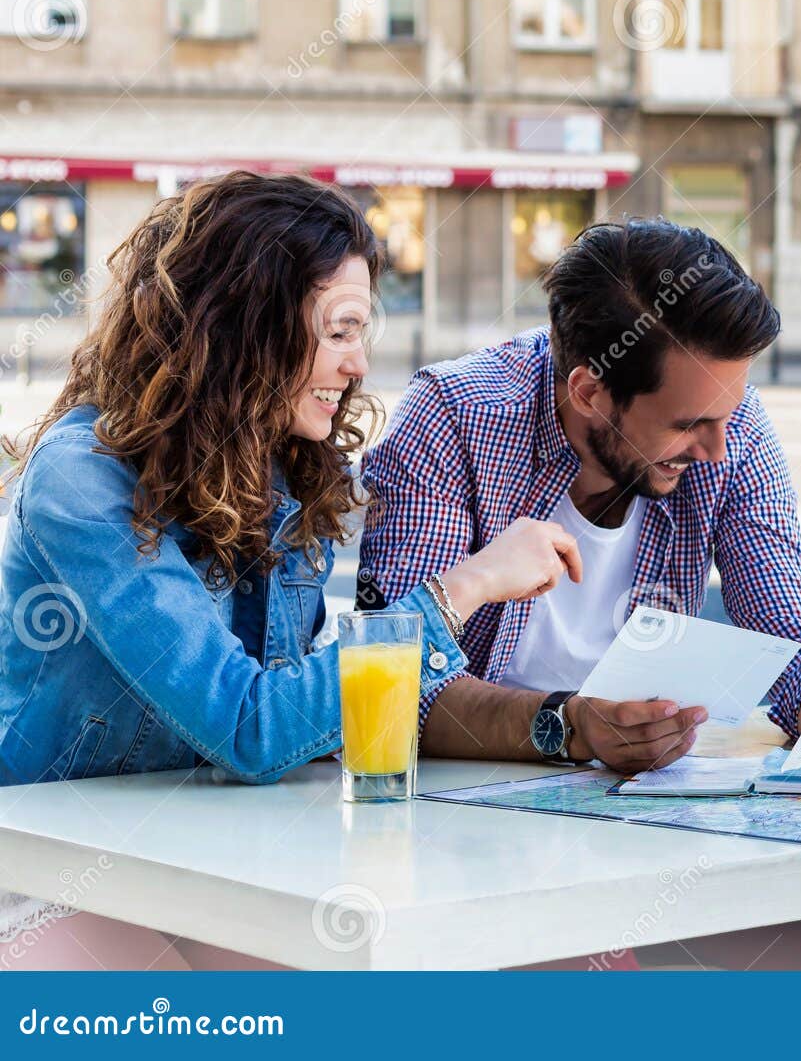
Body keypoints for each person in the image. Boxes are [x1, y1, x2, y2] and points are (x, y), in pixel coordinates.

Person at [358, 217, 801, 968]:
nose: (719, 448)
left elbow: (793, 640)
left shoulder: (729, 421)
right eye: (689, 424)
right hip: (467, 839)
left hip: (649, 820)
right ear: (589, 389)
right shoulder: (454, 418)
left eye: (728, 415)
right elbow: (394, 679)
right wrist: (572, 727)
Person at [0, 171, 577, 970]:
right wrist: (466, 586)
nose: (357, 364)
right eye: (340, 331)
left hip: (205, 852)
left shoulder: (288, 472)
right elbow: (250, 728)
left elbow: (289, 728)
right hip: (45, 869)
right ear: (246, 327)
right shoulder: (83, 480)